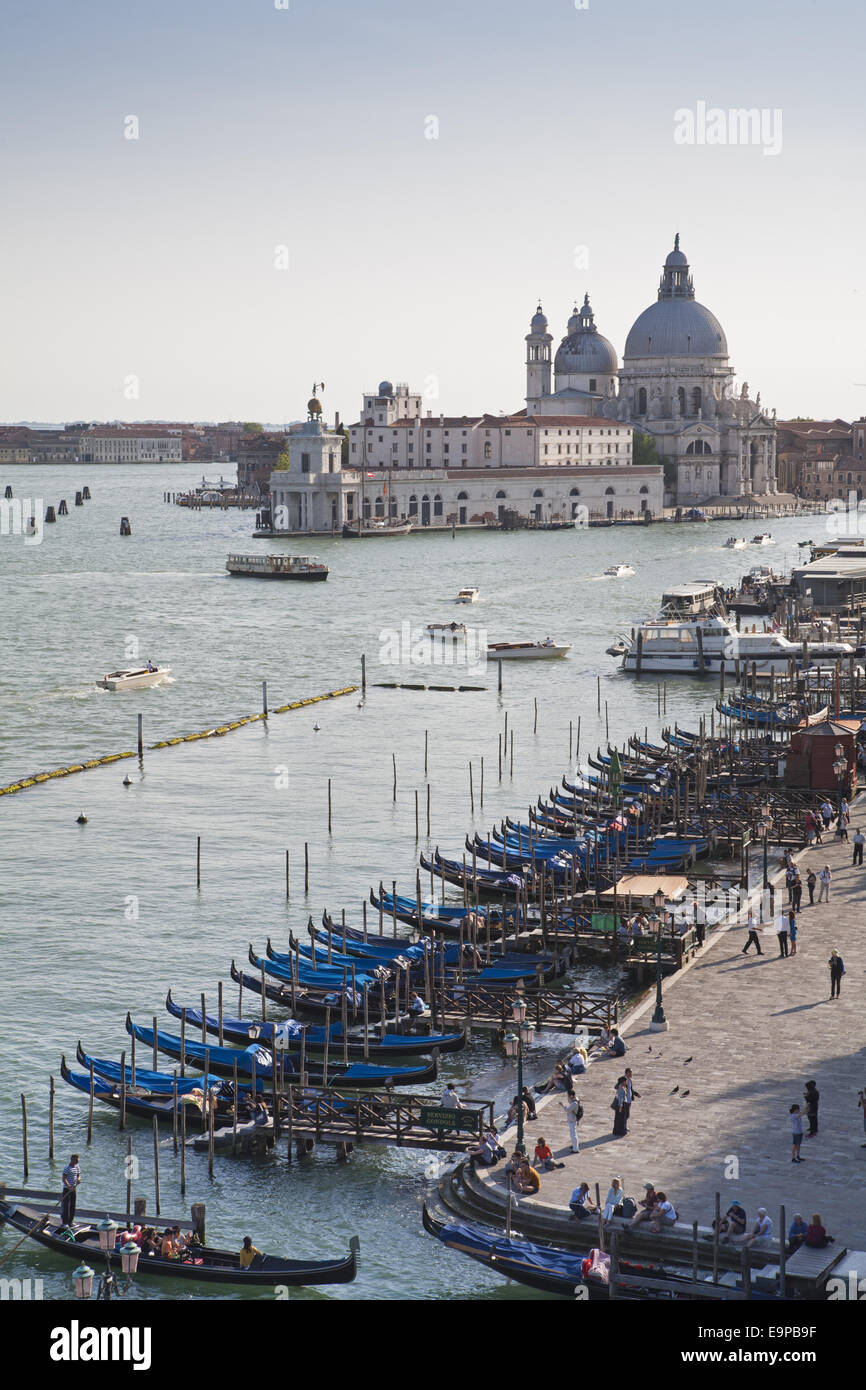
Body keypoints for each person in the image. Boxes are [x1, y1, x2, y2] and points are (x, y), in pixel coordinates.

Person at [60, 1153, 81, 1229]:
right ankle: (65, 1223)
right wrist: (69, 1187)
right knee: (66, 1206)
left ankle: (70, 1222)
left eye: (78, 1160)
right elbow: (64, 1178)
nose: (78, 1161)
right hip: (67, 1189)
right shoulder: (67, 1168)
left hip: (73, 1189)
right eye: (76, 1160)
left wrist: (79, 1179)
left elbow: (78, 1175)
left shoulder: (77, 1167)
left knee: (72, 1205)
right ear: (72, 1160)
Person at [560, 1089, 582, 1153]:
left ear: (571, 1096)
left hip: (572, 1119)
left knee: (573, 1135)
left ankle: (575, 1149)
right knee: (573, 1134)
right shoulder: (575, 1100)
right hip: (573, 1118)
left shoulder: (574, 1103)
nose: (567, 1097)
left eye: (568, 1095)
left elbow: (567, 1109)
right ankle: (574, 1146)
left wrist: (562, 1105)